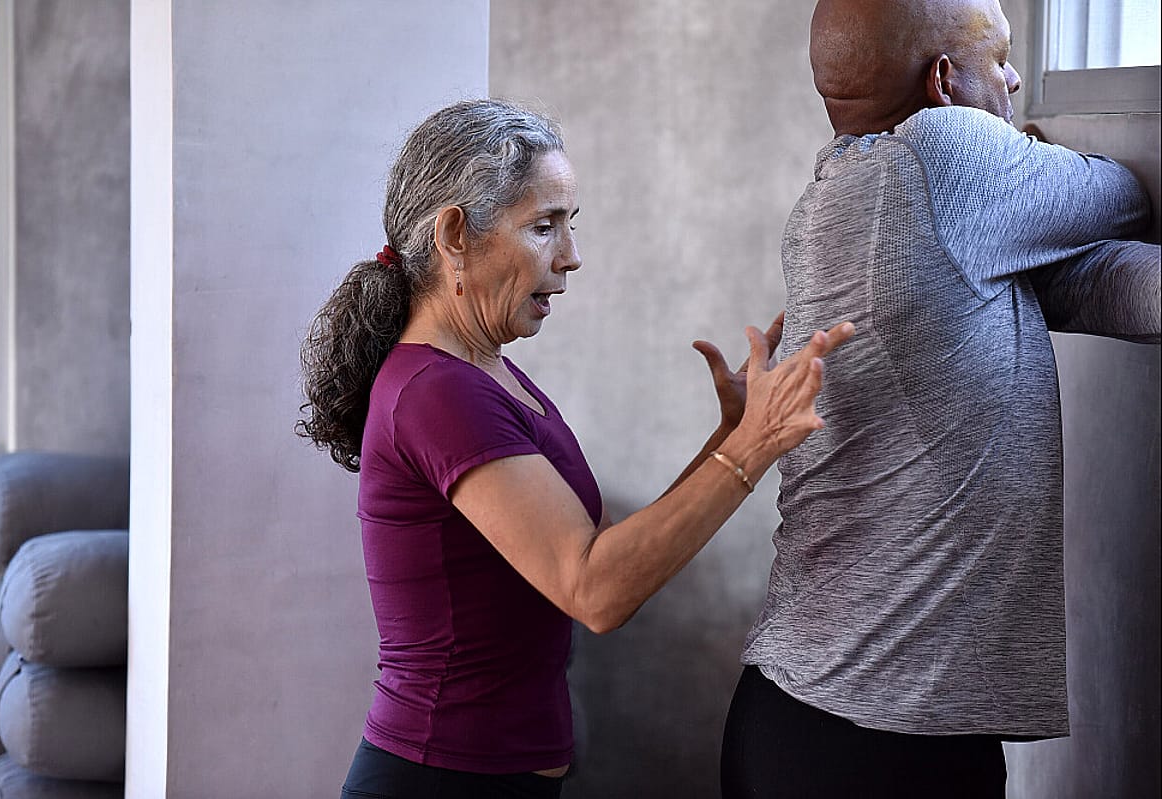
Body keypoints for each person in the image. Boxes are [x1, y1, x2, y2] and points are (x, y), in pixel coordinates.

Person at [297, 98, 854, 799]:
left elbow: (594, 547)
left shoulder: (482, 369)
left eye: (570, 224)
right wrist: (754, 444)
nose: (572, 256)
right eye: (544, 226)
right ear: (454, 236)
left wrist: (730, 434)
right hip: (437, 778)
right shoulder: (437, 391)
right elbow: (595, 589)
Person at [719, 1, 1162, 797]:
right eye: (1000, 59)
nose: (1018, 80)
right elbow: (1122, 194)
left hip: (804, 718)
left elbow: (1061, 284)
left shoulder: (843, 192)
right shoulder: (942, 152)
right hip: (885, 744)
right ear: (942, 82)